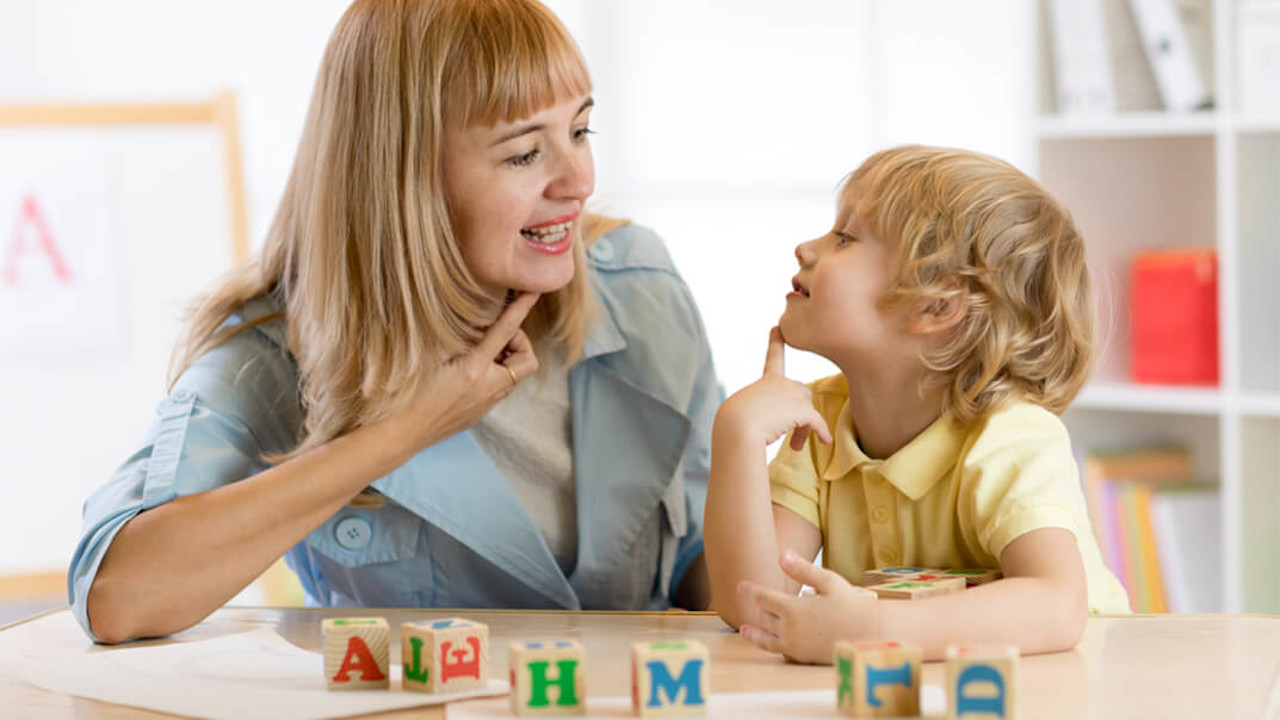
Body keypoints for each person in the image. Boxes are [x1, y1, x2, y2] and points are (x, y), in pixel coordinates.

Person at [70, 0, 719, 645]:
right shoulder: (277, 352)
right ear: (405, 178)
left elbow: (702, 565)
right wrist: (402, 432)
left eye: (580, 132)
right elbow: (116, 598)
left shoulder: (639, 287)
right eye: (524, 154)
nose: (579, 181)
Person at [704, 145, 1130, 664]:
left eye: (845, 237)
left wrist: (875, 629)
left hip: (1075, 684)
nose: (805, 248)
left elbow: (1057, 605)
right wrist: (738, 436)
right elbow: (753, 608)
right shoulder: (818, 421)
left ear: (936, 306)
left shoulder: (1011, 436)